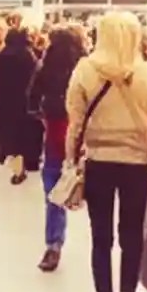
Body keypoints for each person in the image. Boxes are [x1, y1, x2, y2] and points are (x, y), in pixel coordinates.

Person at [66, 12, 147, 292]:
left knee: (101, 238)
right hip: (136, 165)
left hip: (99, 163)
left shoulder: (85, 70)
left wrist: (72, 162)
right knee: (131, 237)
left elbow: (75, 124)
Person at [28, 28, 86, 273]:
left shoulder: (46, 68)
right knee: (98, 194)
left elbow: (31, 100)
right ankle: (106, 244)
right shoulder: (87, 69)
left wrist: (45, 115)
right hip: (85, 140)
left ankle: (53, 245)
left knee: (53, 192)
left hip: (55, 136)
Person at [0, 29, 42, 185]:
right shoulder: (30, 59)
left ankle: (16, 166)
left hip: (4, 106)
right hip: (27, 106)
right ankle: (29, 164)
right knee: (27, 137)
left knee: (10, 139)